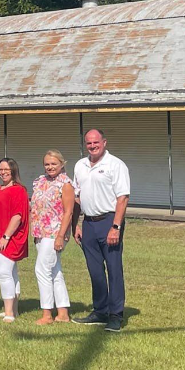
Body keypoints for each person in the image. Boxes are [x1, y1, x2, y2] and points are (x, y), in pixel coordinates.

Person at [72, 129, 130, 333]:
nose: (92, 146)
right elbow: (77, 198)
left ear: (104, 142)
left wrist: (116, 227)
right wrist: (75, 224)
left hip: (109, 221)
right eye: (88, 143)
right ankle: (100, 311)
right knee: (95, 270)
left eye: (96, 142)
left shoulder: (116, 165)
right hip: (88, 223)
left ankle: (115, 315)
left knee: (114, 270)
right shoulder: (80, 165)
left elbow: (123, 198)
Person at [30, 149, 75, 325]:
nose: (50, 167)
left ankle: (47, 314)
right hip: (40, 233)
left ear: (62, 164)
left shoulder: (65, 184)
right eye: (47, 164)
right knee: (55, 272)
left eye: (53, 163)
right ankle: (63, 313)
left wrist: (61, 236)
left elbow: (68, 211)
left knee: (41, 270)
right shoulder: (40, 181)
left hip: (55, 232)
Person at [0, 158, 30, 323]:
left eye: (6, 169)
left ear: (13, 171)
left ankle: (9, 313)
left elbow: (18, 215)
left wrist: (6, 236)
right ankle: (13, 309)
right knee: (12, 274)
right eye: (0, 169)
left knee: (4, 274)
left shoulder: (18, 190)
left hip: (7, 238)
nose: (3, 172)